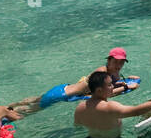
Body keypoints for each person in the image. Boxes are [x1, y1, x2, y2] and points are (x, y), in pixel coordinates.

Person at [11, 47, 139, 115]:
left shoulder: (111, 71)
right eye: (116, 62)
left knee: (37, 99)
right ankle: (7, 114)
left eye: (122, 62)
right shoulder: (102, 72)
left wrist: (126, 79)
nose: (119, 65)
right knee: (30, 110)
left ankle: (11, 106)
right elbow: (106, 93)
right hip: (61, 95)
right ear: (109, 60)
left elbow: (111, 82)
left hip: (63, 88)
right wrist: (127, 87)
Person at [73, 70, 151, 138]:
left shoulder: (80, 107)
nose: (113, 86)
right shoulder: (110, 107)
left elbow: (78, 128)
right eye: (109, 85)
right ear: (99, 90)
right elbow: (136, 111)